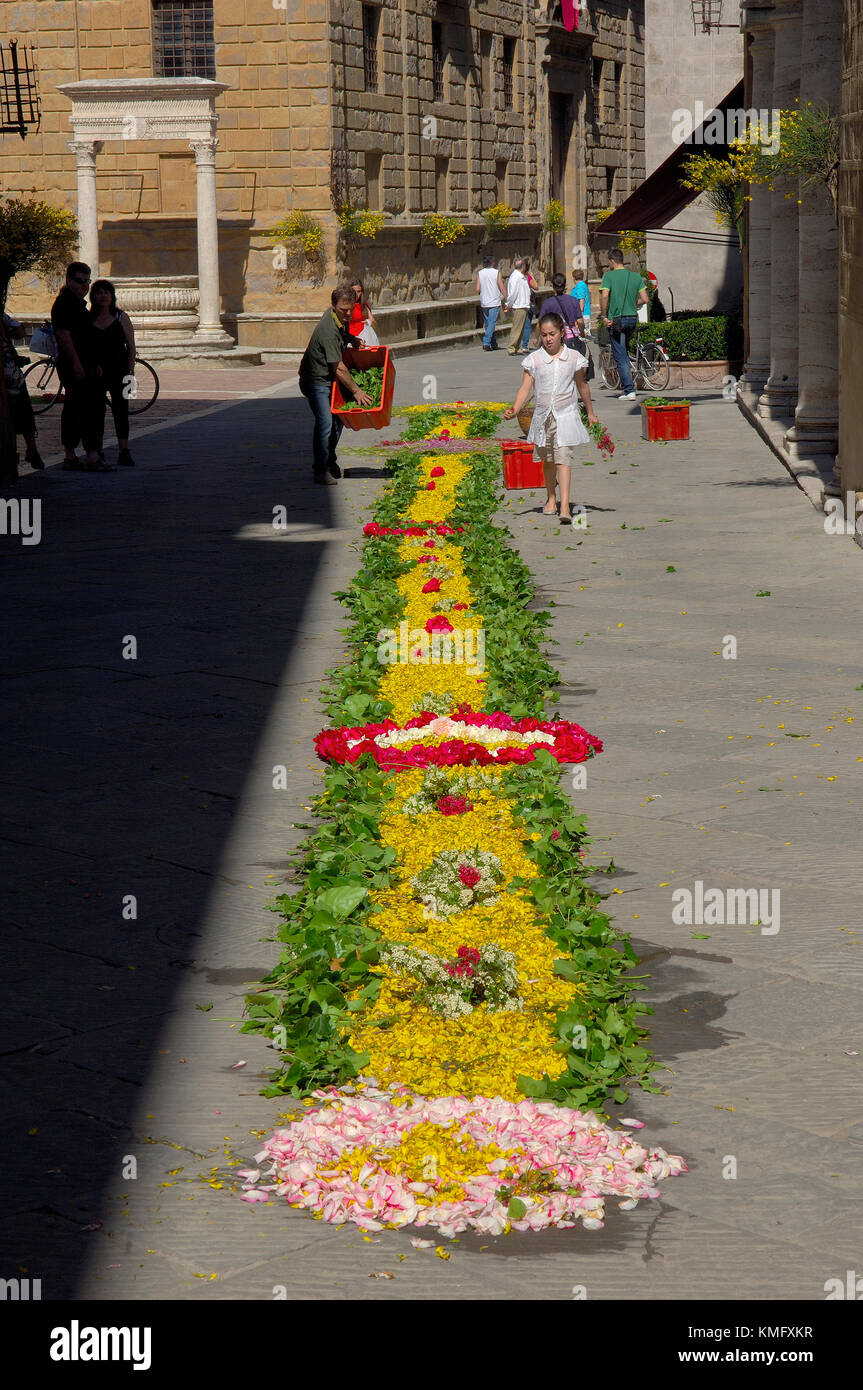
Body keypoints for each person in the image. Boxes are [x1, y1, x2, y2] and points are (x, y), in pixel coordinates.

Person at [504, 311, 599, 525]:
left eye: (552, 334)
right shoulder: (535, 360)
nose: (548, 339)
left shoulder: (573, 358)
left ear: (562, 333)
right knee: (548, 459)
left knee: (563, 458)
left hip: (566, 415)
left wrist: (591, 413)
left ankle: (565, 506)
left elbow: (582, 386)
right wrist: (515, 409)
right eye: (544, 335)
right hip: (543, 417)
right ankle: (551, 497)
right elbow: (524, 388)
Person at [298, 285, 373, 485]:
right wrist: (357, 391)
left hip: (328, 378)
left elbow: (343, 335)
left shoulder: (339, 318)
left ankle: (330, 461)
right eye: (343, 310)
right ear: (333, 306)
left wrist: (351, 339)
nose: (348, 314)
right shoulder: (328, 330)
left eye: (351, 309)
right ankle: (320, 470)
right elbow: (338, 367)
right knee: (325, 423)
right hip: (316, 381)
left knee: (339, 420)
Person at [51, 262, 113, 471]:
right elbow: (64, 336)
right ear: (69, 281)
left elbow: (87, 338)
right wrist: (77, 364)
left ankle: (72, 455)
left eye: (87, 282)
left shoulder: (78, 304)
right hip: (74, 365)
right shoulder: (63, 305)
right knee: (89, 408)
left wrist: (95, 363)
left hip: (85, 363)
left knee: (75, 407)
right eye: (80, 281)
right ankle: (92, 455)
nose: (84, 286)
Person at [90, 279, 137, 467]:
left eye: (106, 292)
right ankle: (98, 450)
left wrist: (130, 371)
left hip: (120, 370)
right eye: (99, 292)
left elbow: (131, 347)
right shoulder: (89, 318)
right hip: (97, 371)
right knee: (96, 411)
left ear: (112, 296)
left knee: (121, 410)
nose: (103, 296)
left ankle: (124, 450)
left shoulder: (121, 317)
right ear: (93, 296)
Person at [599, 247, 649, 401]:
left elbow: (605, 296)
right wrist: (634, 304)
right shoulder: (635, 277)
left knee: (620, 356)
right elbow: (646, 299)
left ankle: (629, 390)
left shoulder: (609, 276)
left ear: (612, 261)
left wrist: (604, 315)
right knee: (624, 352)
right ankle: (628, 385)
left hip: (617, 320)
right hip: (632, 319)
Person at [2, 310, 45, 470]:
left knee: (23, 413)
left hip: (11, 374)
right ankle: (29, 449)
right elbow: (19, 331)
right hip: (10, 374)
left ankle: (31, 449)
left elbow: (19, 331)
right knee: (21, 414)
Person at [475, 255, 506, 351]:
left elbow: (477, 288)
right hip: (494, 301)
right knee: (492, 323)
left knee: (489, 323)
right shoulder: (496, 272)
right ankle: (486, 342)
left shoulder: (480, 273)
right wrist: (507, 298)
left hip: (484, 302)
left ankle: (493, 343)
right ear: (492, 262)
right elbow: (501, 287)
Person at [504, 257, 533, 355]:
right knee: (517, 327)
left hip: (523, 305)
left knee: (521, 328)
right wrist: (508, 304)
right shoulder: (516, 277)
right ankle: (512, 347)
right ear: (523, 266)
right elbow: (512, 293)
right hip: (519, 305)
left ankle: (517, 347)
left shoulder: (521, 276)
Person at [348, 278, 379, 347]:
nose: (356, 294)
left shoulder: (364, 305)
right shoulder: (345, 305)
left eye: (358, 291)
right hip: (350, 336)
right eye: (354, 291)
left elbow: (373, 322)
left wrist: (368, 322)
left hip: (365, 334)